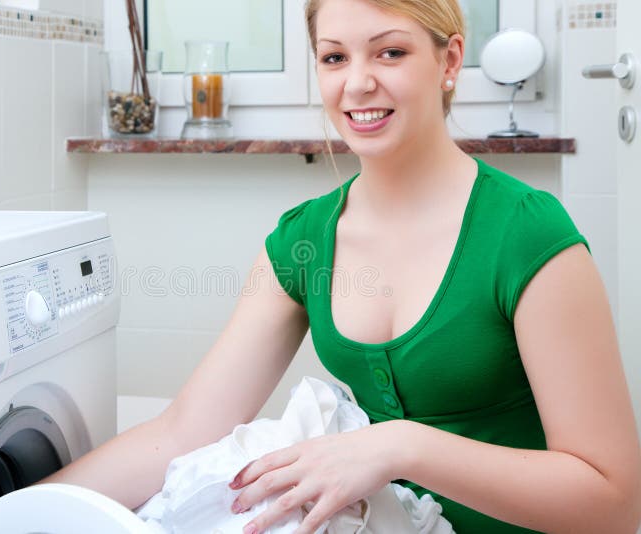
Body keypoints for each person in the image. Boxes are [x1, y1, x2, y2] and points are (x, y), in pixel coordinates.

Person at [42, 0, 641, 532]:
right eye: (333, 58)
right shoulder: (304, 241)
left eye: (391, 52)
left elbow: (614, 505)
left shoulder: (527, 235)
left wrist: (401, 447)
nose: (357, 83)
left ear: (449, 60)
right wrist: (12, 511)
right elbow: (182, 432)